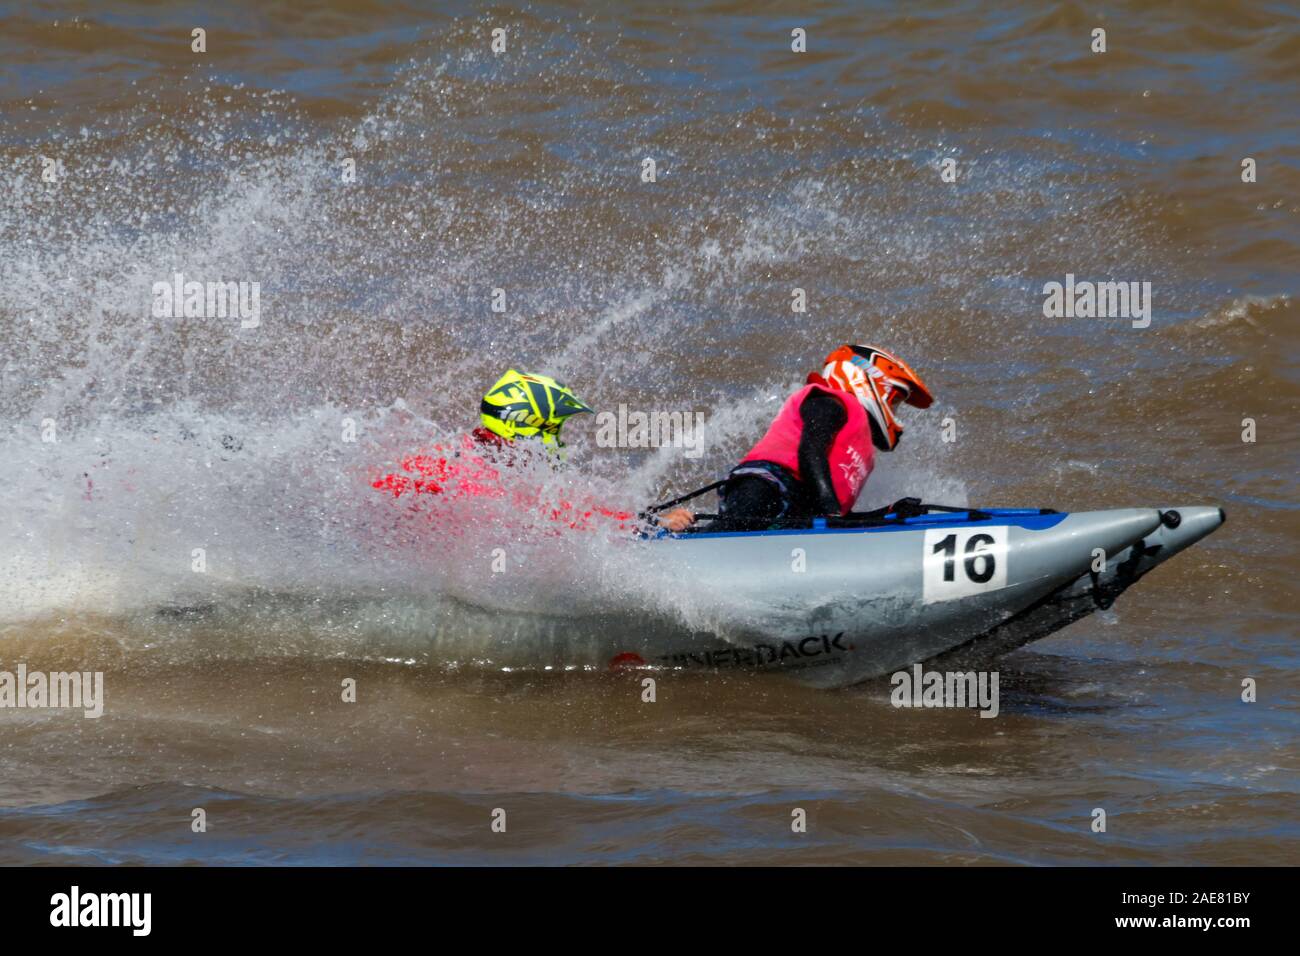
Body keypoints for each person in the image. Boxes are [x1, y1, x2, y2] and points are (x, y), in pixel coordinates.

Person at [657, 344, 933, 532]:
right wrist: (833, 515)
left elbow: (832, 521)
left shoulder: (856, 444)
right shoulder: (830, 402)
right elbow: (810, 453)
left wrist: (889, 513)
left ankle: (688, 534)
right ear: (865, 377)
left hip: (791, 512)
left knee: (742, 529)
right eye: (894, 401)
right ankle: (670, 531)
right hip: (765, 486)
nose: (893, 413)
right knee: (728, 531)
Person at [373, 369, 635, 530]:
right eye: (552, 430)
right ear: (520, 430)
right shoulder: (472, 478)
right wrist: (636, 526)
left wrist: (643, 516)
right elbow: (551, 519)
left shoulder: (467, 453)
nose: (556, 443)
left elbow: (564, 504)